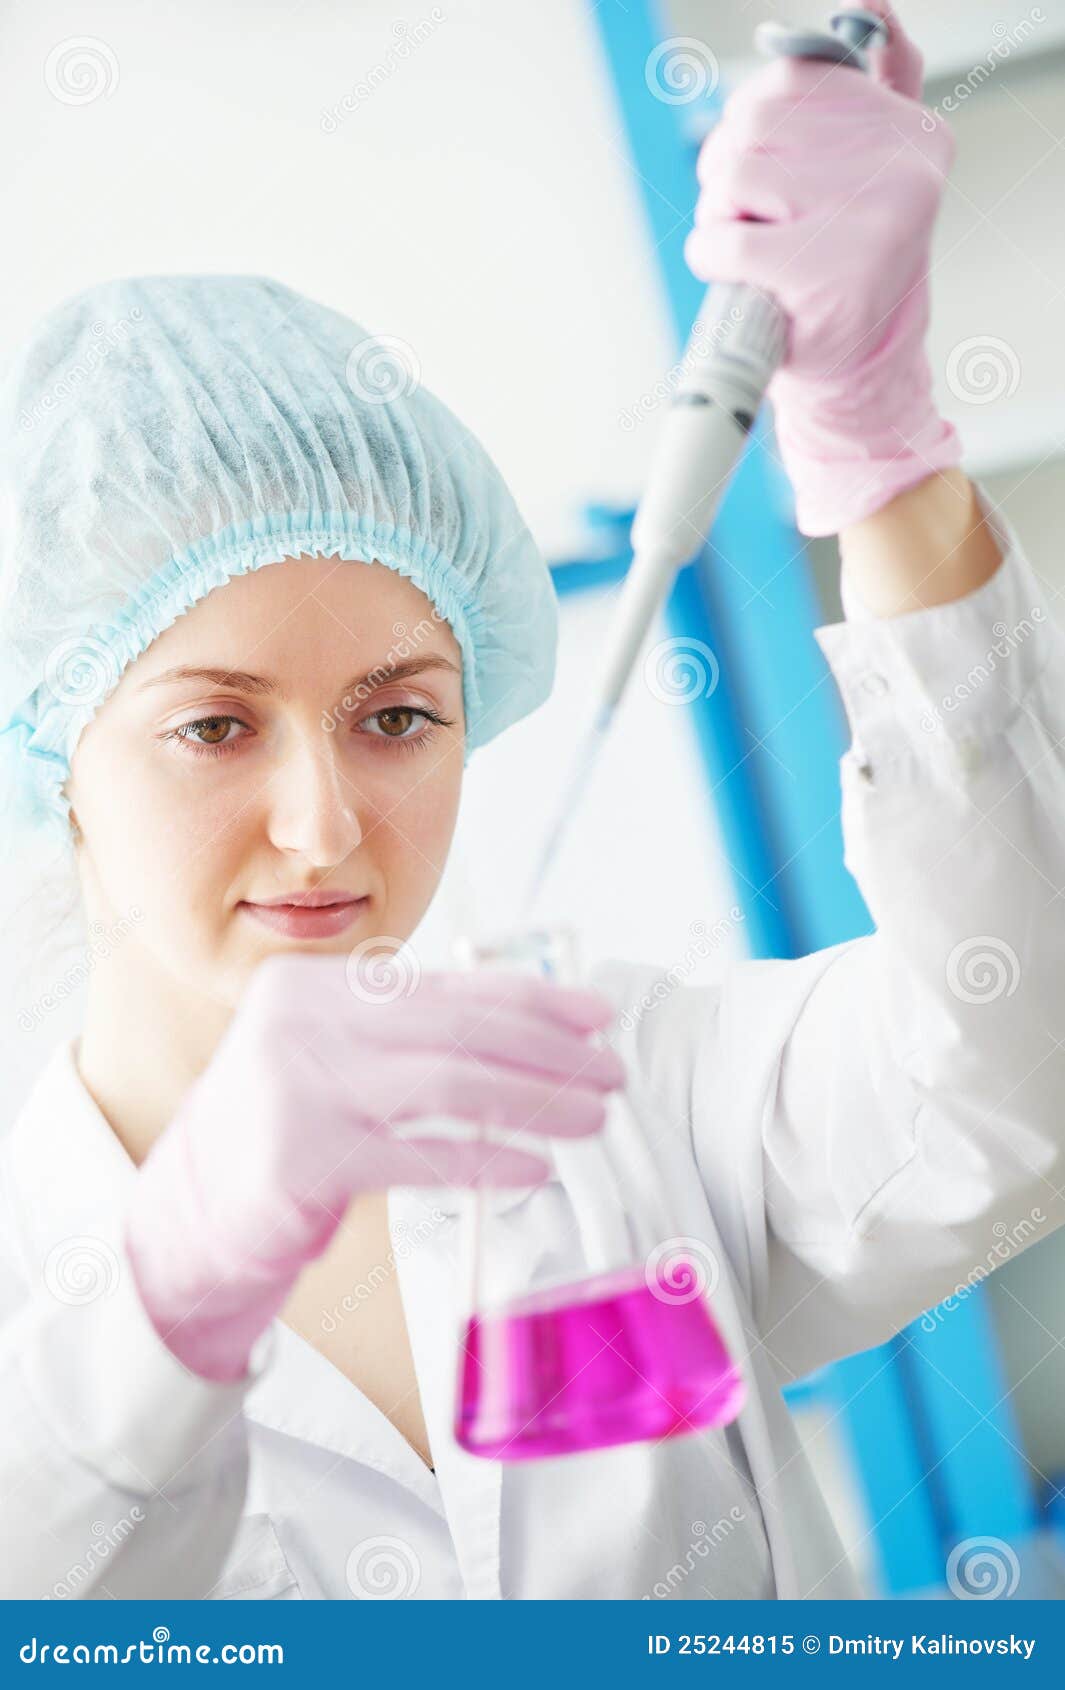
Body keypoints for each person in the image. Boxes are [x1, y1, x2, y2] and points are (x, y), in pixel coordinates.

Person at [0, 1, 1061, 1601]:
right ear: (52, 746)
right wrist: (175, 1285)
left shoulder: (615, 1098)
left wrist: (878, 450)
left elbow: (1012, 1068)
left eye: (397, 716)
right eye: (215, 726)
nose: (324, 826)